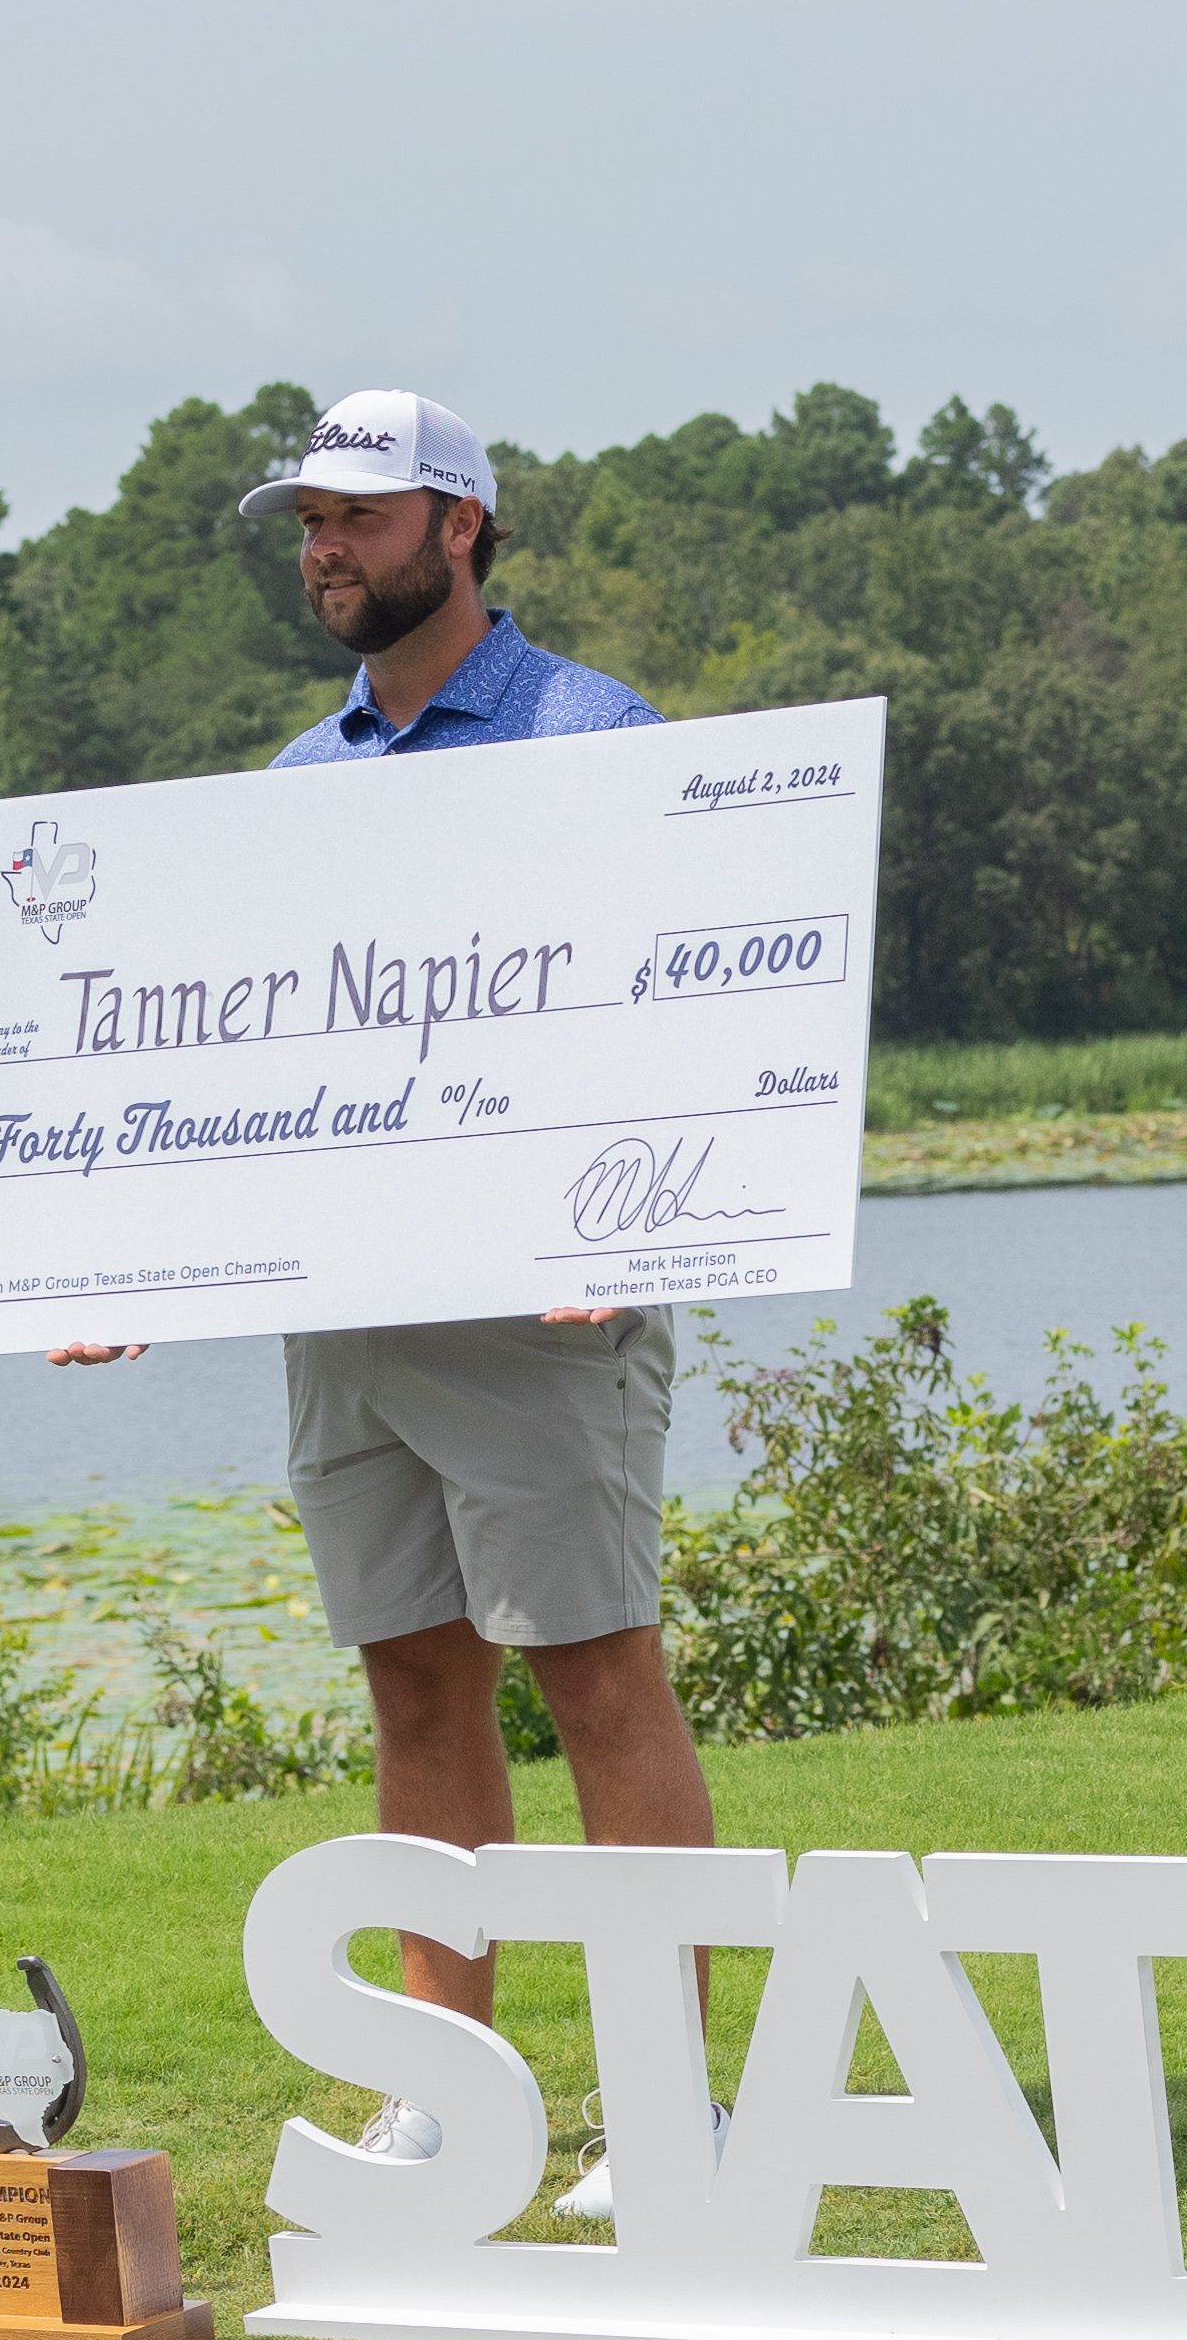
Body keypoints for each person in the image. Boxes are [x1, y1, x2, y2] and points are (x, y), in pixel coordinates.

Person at [47, 389, 720, 2221]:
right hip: (347, 1317)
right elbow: (239, 1066)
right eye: (306, 521)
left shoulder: (598, 737)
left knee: (594, 1673)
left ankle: (667, 2109)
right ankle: (447, 2090)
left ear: (463, 528)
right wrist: (130, 1263)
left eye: (357, 514)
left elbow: (676, 1015)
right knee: (414, 1685)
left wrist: (630, 1234)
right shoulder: (299, 782)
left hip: (538, 1310)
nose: (323, 548)